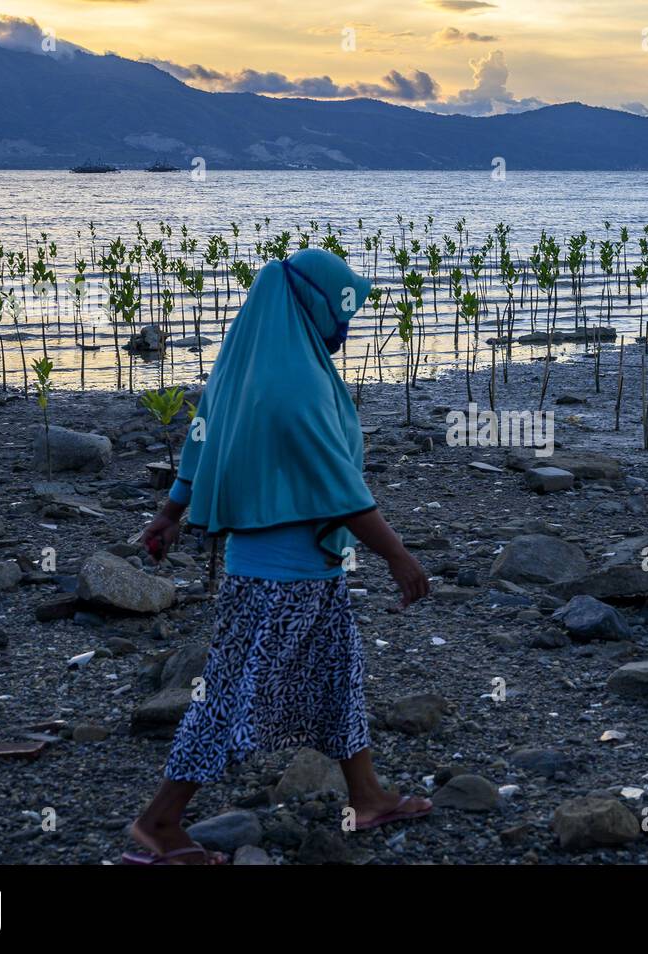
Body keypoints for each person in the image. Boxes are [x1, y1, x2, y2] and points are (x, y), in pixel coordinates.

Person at [123, 249, 432, 865]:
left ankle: (367, 795)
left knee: (340, 678)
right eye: (340, 309)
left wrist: (168, 514)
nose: (344, 324)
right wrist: (400, 556)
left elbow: (201, 447)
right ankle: (159, 822)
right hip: (282, 578)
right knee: (231, 698)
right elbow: (337, 489)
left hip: (286, 571)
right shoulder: (296, 382)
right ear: (310, 303)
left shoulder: (244, 368)